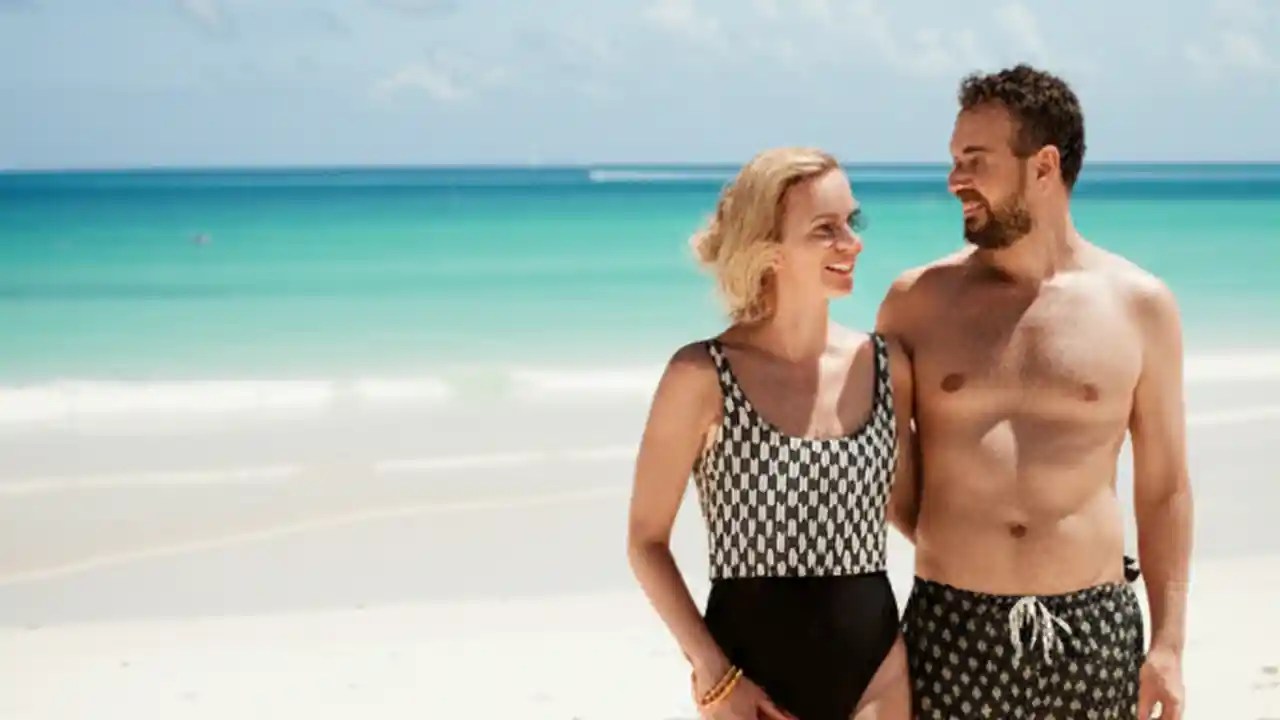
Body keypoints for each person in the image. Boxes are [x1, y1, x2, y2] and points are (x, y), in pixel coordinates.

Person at [877, 64, 1193, 719]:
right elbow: (882, 473)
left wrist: (1168, 646)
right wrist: (969, 544)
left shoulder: (1139, 306)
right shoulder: (916, 304)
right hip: (951, 628)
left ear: (1044, 166)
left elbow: (1164, 488)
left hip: (1094, 630)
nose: (955, 179)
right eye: (954, 160)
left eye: (976, 160)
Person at [627, 147, 914, 719]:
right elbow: (645, 542)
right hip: (748, 679)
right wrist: (712, 671)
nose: (851, 243)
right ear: (769, 249)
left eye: (851, 223)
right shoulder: (703, 375)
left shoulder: (886, 366)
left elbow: (911, 514)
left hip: (878, 672)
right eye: (825, 229)